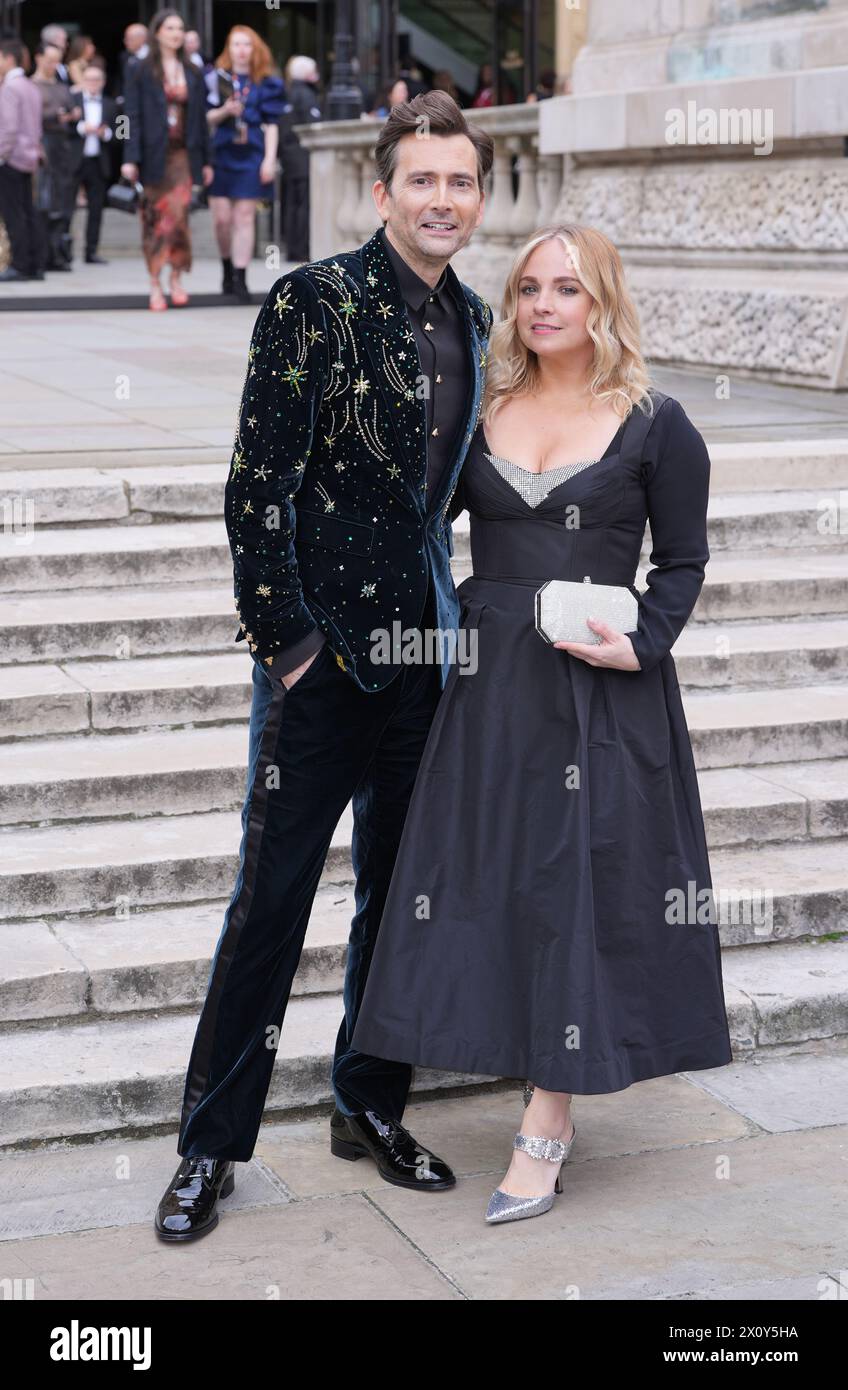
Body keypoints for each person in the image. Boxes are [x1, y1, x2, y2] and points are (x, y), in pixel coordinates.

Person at [154, 90, 495, 1242]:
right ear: (382, 191)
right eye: (422, 180)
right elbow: (256, 490)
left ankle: (368, 1101)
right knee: (269, 908)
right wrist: (289, 646)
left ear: (477, 198)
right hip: (319, 666)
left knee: (399, 904)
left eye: (460, 182)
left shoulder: (481, 324)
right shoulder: (316, 303)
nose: (440, 198)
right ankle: (209, 1145)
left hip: (422, 667)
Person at [351, 222, 734, 1225]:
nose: (543, 305)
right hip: (487, 684)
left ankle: (545, 1121)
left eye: (566, 287)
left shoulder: (656, 422)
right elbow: (421, 524)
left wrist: (640, 641)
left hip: (598, 688)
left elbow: (682, 563)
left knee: (573, 883)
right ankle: (495, 1067)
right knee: (496, 876)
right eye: (527, 288)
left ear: (601, 300)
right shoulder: (480, 404)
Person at [121, 8, 212, 311]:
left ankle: (176, 277)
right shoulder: (140, 69)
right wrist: (130, 157)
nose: (176, 33)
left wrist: (206, 161)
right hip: (152, 155)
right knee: (154, 220)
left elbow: (199, 118)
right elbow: (130, 115)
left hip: (183, 155)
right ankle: (155, 281)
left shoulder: (194, 72)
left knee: (179, 217)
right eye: (170, 28)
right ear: (157, 31)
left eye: (180, 28)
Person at [206, 25, 283, 302]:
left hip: (251, 154)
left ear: (255, 49)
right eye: (236, 44)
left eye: (246, 44)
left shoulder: (266, 83)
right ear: (228, 48)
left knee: (245, 217)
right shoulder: (215, 79)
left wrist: (269, 159)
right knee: (222, 220)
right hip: (221, 155)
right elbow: (203, 120)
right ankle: (226, 266)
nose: (241, 50)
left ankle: (240, 277)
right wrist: (225, 111)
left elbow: (272, 125)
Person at [0, 37, 43, 282]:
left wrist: (1, 155)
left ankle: (20, 264)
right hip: (30, 156)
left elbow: (8, 129)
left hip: (12, 158)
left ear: (8, 58)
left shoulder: (10, 87)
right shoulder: (30, 86)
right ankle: (35, 264)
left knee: (14, 213)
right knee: (29, 211)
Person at [31, 40, 76, 271]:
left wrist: (72, 116)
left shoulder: (62, 86)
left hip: (63, 148)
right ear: (38, 58)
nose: (53, 65)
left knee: (63, 200)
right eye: (50, 60)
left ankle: (59, 252)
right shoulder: (30, 86)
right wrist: (54, 119)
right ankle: (42, 252)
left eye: (57, 61)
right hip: (41, 146)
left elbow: (71, 110)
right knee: (43, 200)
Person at [69, 61, 117, 265]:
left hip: (99, 162)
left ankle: (91, 251)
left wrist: (105, 133)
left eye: (97, 79)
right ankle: (62, 251)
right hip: (75, 161)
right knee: (66, 208)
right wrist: (81, 128)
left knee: (96, 209)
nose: (93, 83)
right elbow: (59, 128)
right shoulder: (71, 101)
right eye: (89, 79)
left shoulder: (113, 105)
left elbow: (124, 134)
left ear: (103, 82)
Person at [278, 55, 320, 265]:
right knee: (303, 204)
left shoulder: (286, 93)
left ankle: (292, 248)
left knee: (292, 204)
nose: (317, 75)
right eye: (313, 70)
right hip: (303, 157)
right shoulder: (306, 95)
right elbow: (314, 126)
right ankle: (301, 249)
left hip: (288, 156)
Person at [117, 22, 149, 99]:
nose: (125, 42)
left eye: (129, 39)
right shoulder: (125, 57)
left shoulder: (154, 56)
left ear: (142, 39)